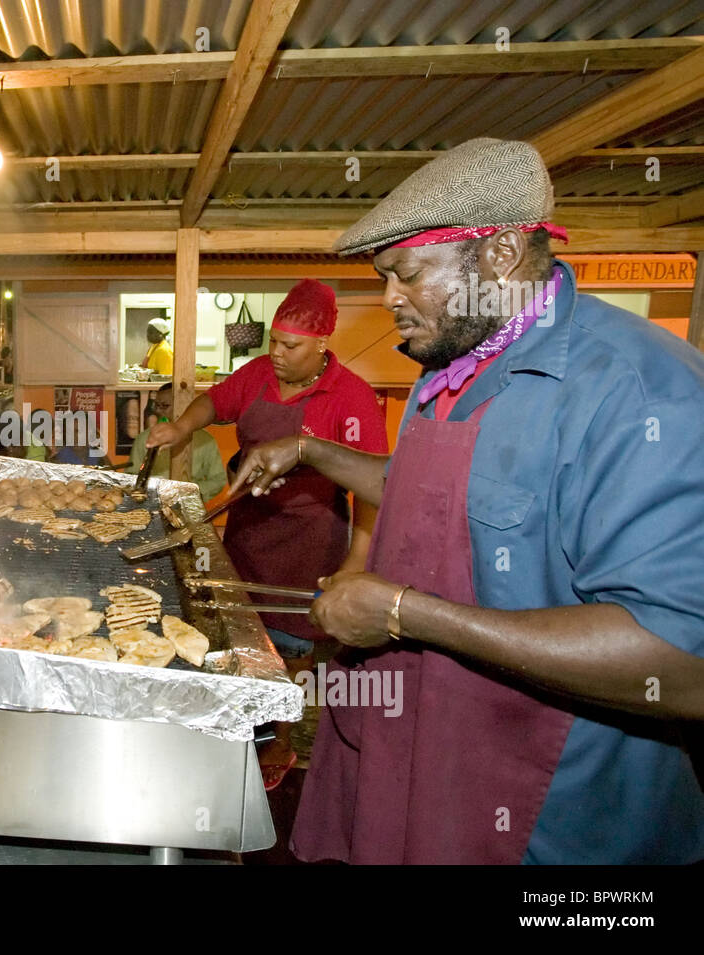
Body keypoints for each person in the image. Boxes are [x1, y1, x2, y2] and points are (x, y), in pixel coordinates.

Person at [235, 138, 704, 864]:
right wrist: (311, 450)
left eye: (407, 274)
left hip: (542, 818)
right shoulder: (457, 357)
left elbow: (680, 659)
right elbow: (429, 492)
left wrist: (401, 612)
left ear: (502, 256)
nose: (389, 298)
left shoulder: (638, 391)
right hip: (415, 768)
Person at [148, 278, 387, 789]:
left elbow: (371, 492)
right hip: (249, 534)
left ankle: (276, 736)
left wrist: (355, 565)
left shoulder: (352, 399)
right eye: (273, 341)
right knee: (236, 639)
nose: (275, 353)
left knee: (284, 648)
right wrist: (183, 427)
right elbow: (215, 402)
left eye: (289, 345)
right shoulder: (257, 374)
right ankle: (238, 727)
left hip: (309, 540)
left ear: (322, 343)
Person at [130, 384, 224, 500]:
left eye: (165, 406)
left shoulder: (206, 440)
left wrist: (190, 493)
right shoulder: (144, 438)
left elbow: (218, 479)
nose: (158, 411)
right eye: (157, 405)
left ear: (183, 407)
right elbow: (131, 475)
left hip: (191, 504)